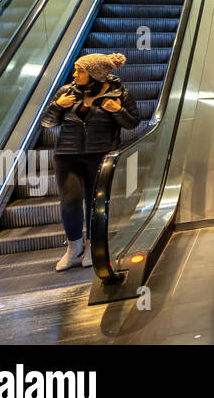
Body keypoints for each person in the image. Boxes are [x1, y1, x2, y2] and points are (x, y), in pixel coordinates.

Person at [41, 53, 140, 271]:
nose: (75, 75)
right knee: (70, 201)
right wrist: (58, 106)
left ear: (95, 74)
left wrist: (118, 111)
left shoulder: (120, 94)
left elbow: (133, 123)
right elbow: (46, 123)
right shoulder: (65, 92)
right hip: (67, 155)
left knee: (96, 202)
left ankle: (95, 247)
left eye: (80, 71)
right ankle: (74, 248)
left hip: (100, 154)